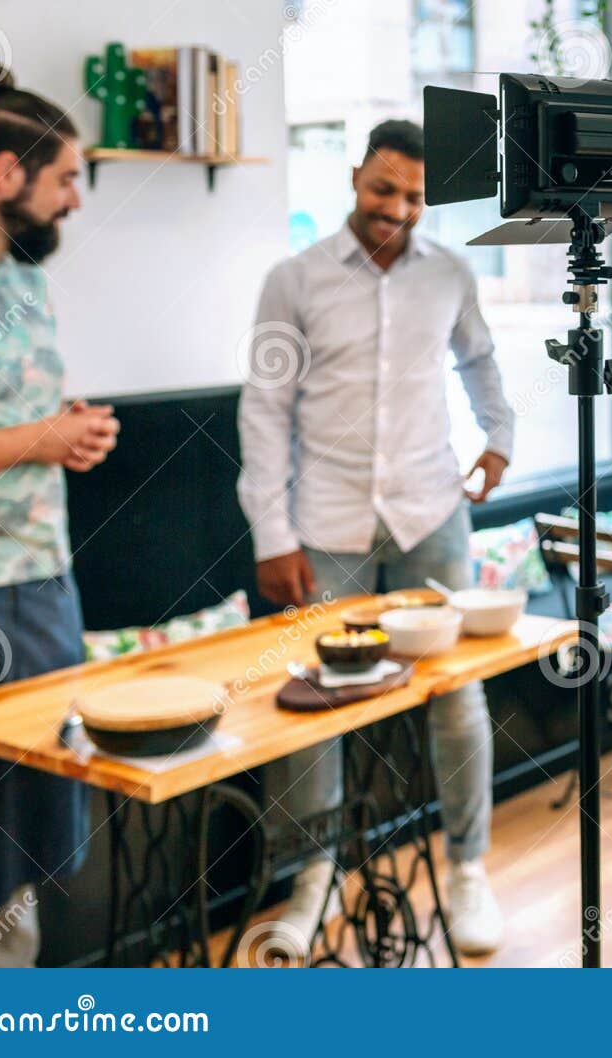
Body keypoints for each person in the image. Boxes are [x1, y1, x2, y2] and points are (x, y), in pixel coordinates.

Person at [238, 119, 514, 957]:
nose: (396, 209)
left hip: (432, 514)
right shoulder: (294, 279)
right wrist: (271, 534)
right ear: (355, 175)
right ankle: (311, 884)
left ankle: (468, 870)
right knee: (312, 706)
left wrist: (498, 437)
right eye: (382, 189)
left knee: (457, 700)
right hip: (324, 528)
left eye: (415, 197)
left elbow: (480, 360)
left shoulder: (452, 273)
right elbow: (264, 408)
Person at [0, 64, 120, 968]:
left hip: (43, 587)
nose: (75, 201)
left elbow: (12, 422)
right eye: (67, 178)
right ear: (7, 175)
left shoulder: (25, 281)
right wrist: (37, 439)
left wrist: (67, 431)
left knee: (27, 844)